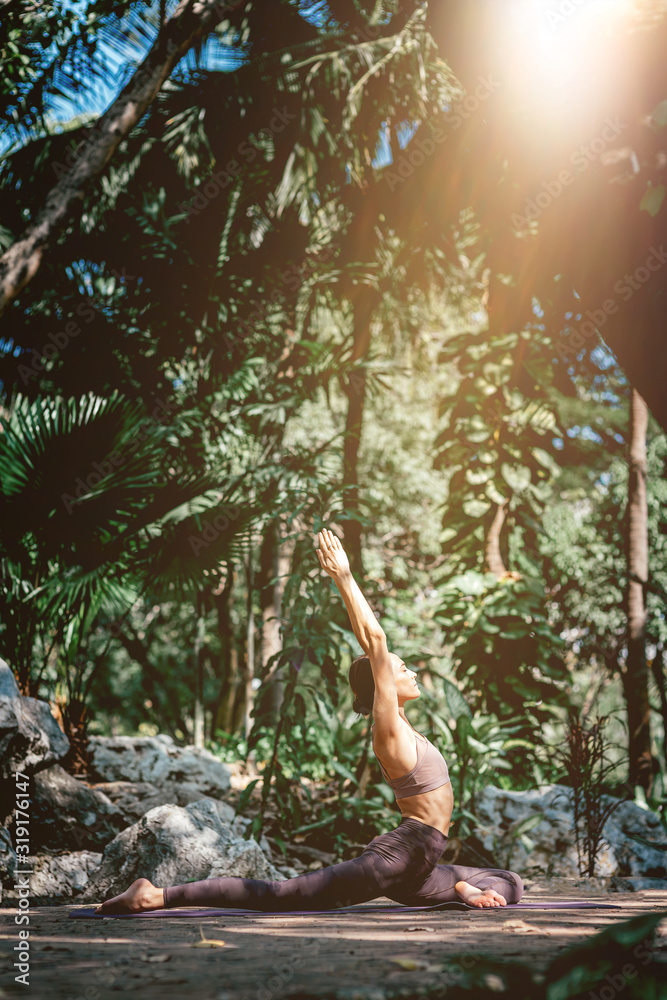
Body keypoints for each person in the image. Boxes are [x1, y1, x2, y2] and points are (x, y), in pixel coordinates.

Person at [95, 528, 523, 914]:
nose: (410, 671)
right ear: (382, 687)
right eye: (400, 668)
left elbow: (377, 648)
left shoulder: (406, 727)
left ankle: (461, 888)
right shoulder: (387, 728)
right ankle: (155, 895)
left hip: (422, 864)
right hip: (399, 857)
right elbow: (375, 639)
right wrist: (344, 577)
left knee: (510, 883)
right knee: (286, 895)